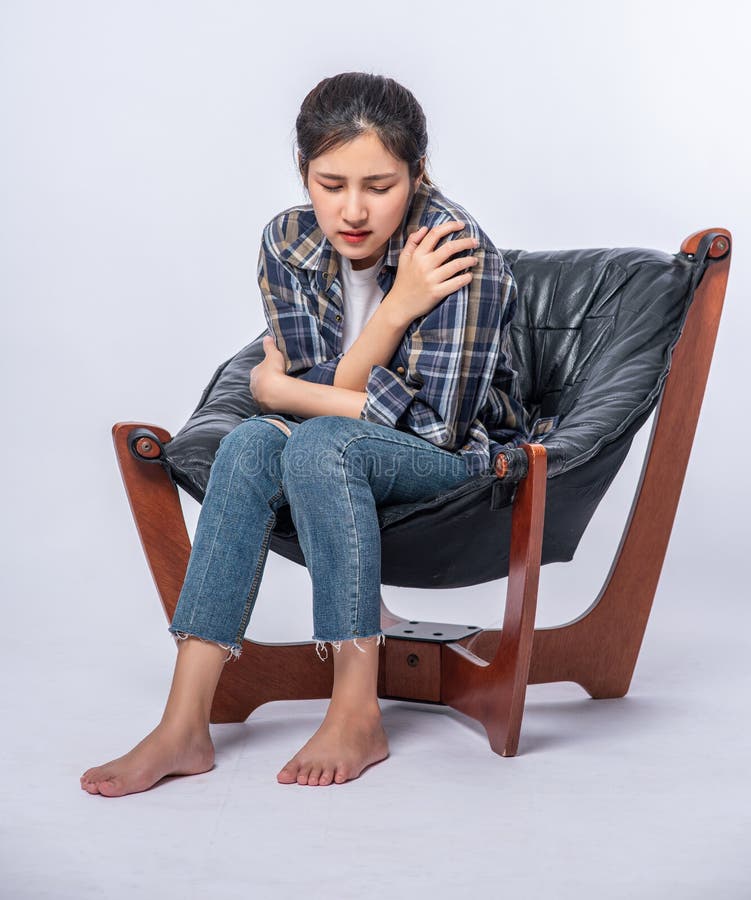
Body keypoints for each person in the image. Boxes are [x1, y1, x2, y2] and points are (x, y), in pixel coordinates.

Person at [80, 71, 528, 796]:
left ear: (417, 176)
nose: (351, 209)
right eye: (331, 182)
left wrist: (288, 381)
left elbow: (437, 427)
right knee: (253, 443)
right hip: (353, 444)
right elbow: (305, 412)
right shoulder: (287, 242)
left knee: (317, 442)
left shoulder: (458, 255)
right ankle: (183, 722)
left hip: (462, 462)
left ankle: (356, 712)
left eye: (379, 185)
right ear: (303, 173)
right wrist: (297, 396)